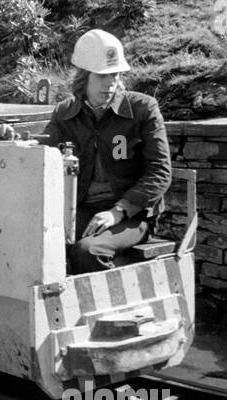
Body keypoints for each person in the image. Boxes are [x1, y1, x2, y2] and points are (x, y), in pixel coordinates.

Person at [44, 29, 172, 275]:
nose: (110, 82)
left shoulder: (143, 109)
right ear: (83, 76)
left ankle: (114, 298)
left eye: (115, 74)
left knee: (88, 251)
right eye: (102, 75)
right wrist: (11, 139)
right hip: (81, 210)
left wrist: (118, 211)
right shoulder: (64, 114)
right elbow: (43, 157)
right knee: (40, 242)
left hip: (132, 217)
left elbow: (160, 172)